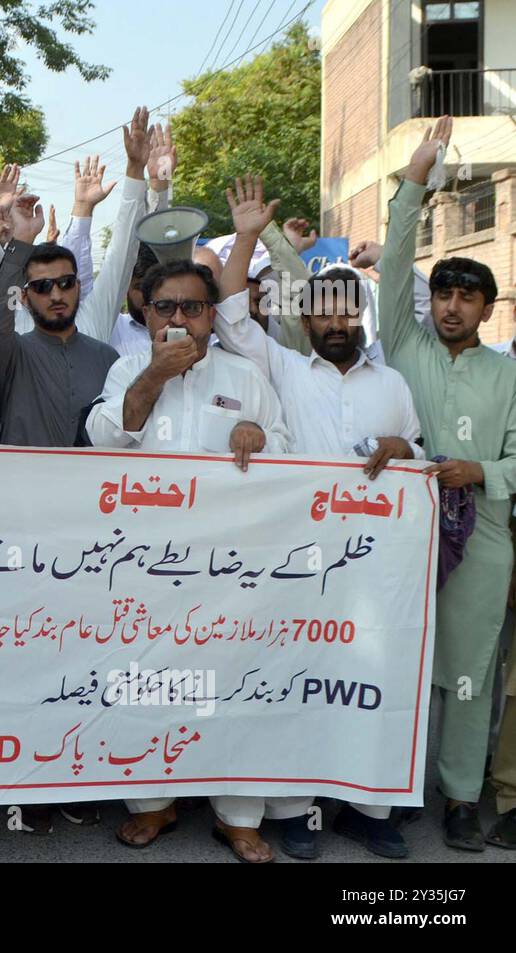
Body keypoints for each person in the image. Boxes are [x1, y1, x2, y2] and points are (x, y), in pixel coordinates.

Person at [217, 175, 425, 859]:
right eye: (323, 314)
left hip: (375, 568)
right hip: (297, 562)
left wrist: (406, 447)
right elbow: (229, 313)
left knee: (371, 673)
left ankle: (369, 807)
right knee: (296, 674)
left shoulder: (392, 384)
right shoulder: (280, 367)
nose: (336, 324)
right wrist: (247, 235)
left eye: (347, 314)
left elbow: (419, 462)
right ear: (304, 321)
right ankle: (293, 807)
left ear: (359, 319)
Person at [86, 256, 289, 863]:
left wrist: (256, 436)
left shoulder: (246, 374)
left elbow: (283, 447)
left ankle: (238, 816)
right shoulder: (126, 367)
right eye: (165, 307)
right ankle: (153, 803)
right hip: (143, 568)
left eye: (193, 307)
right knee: (147, 681)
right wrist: (152, 377)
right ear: (145, 314)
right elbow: (101, 439)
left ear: (211, 315)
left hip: (229, 573)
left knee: (235, 686)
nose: (180, 318)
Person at [377, 115, 516, 852]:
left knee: (467, 676)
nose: (452, 307)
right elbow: (394, 265)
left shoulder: (509, 375)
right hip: (404, 534)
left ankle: (460, 797)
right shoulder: (405, 347)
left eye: (467, 298)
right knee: (400, 663)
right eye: (444, 296)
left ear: (488, 310)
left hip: (484, 536)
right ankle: (394, 793)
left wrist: (483, 471)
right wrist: (414, 184)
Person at [0, 193, 118, 448]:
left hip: (92, 485)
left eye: (65, 283)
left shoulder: (107, 358)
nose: (56, 295)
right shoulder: (11, 355)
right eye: (42, 287)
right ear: (25, 297)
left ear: (78, 287)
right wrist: (21, 242)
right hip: (22, 483)